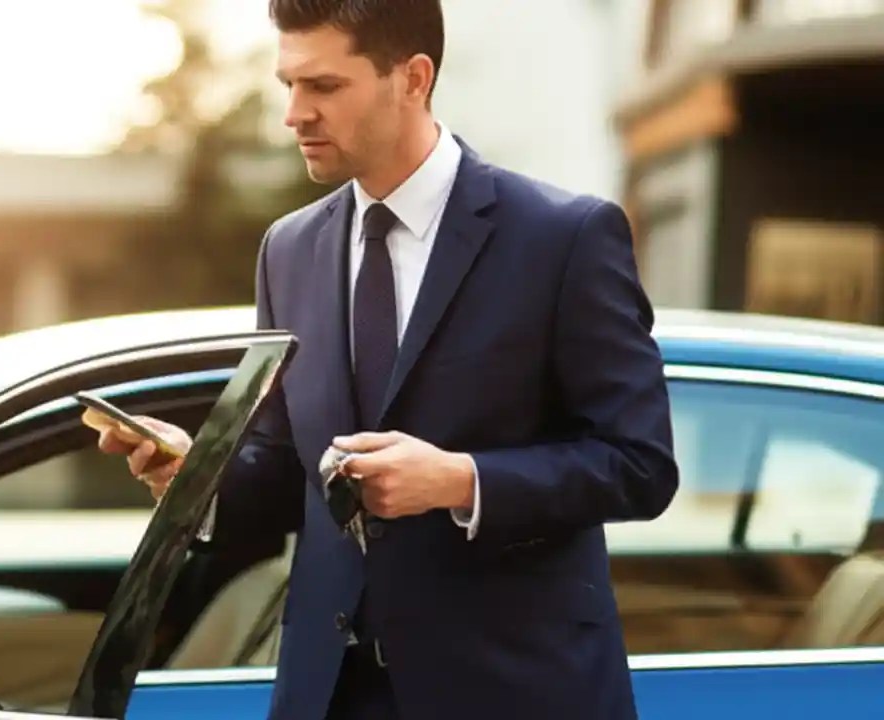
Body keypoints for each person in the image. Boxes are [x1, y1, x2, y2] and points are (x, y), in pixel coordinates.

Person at [92, 1, 679, 718]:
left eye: (324, 86)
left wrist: (459, 480)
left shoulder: (563, 238)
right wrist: (199, 476)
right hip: (329, 695)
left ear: (413, 78)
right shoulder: (288, 250)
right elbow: (289, 465)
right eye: (289, 85)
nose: (295, 115)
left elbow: (640, 464)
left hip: (510, 692)